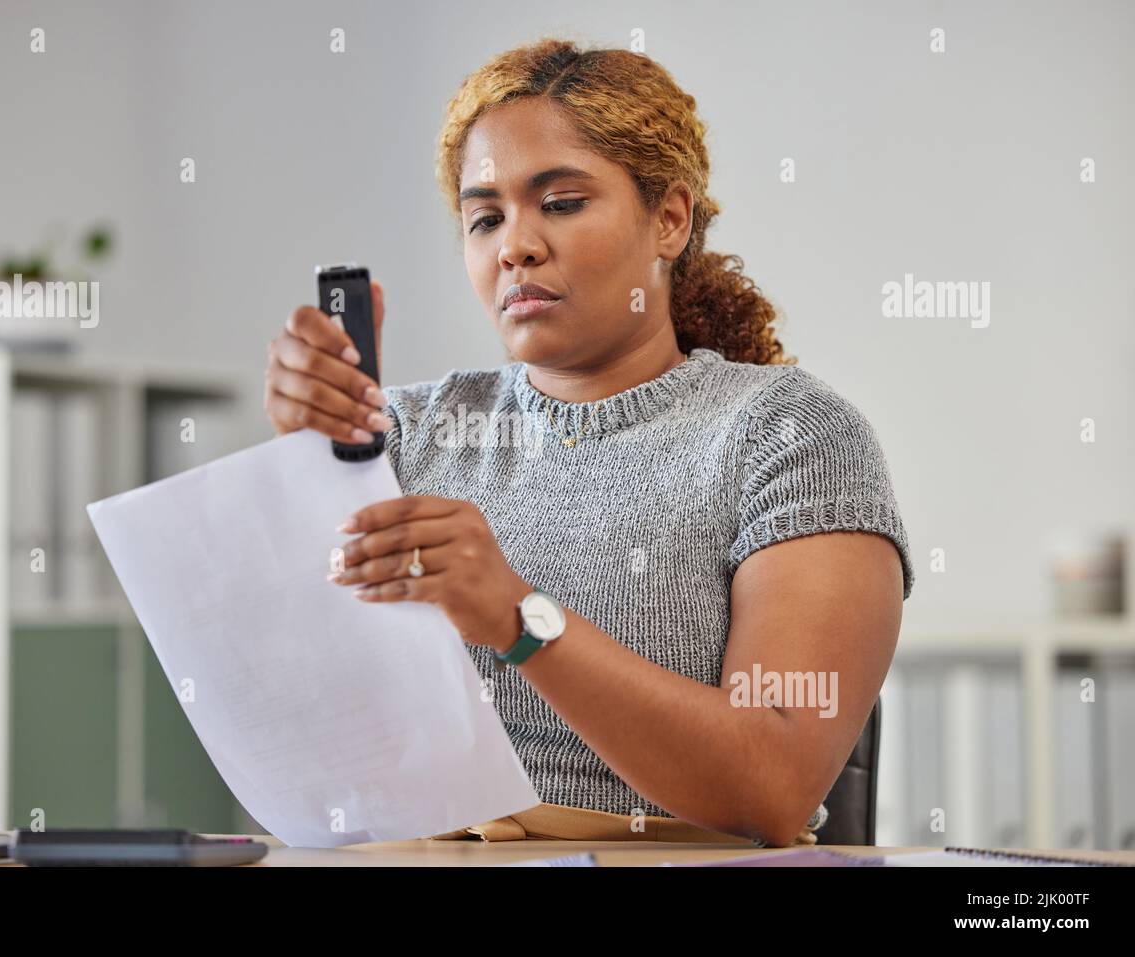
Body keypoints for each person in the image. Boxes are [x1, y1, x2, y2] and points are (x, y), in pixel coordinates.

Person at [264, 37, 913, 848]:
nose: (515, 246)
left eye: (562, 203)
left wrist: (517, 617)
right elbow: (299, 727)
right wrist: (304, 472)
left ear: (669, 220)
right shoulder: (403, 434)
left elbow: (772, 783)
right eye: (485, 217)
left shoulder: (790, 436)